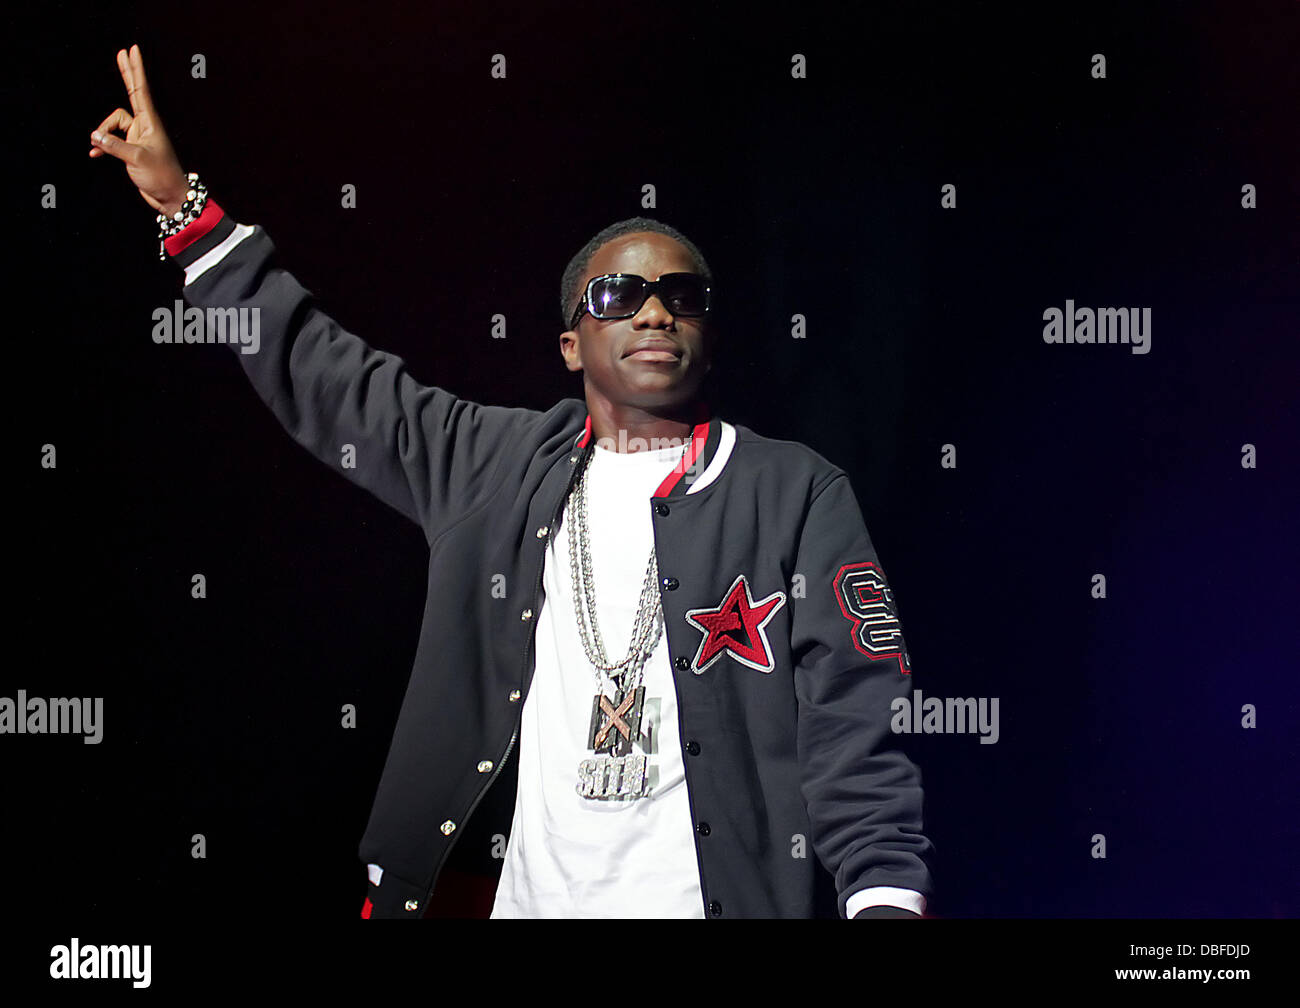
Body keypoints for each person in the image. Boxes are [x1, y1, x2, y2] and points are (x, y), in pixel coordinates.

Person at [90, 43, 935, 919]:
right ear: (572, 346)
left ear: (709, 338)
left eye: (682, 297)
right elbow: (328, 376)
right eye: (617, 296)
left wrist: (885, 901)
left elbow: (856, 720)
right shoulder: (490, 464)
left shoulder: (794, 493)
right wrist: (183, 209)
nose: (653, 310)